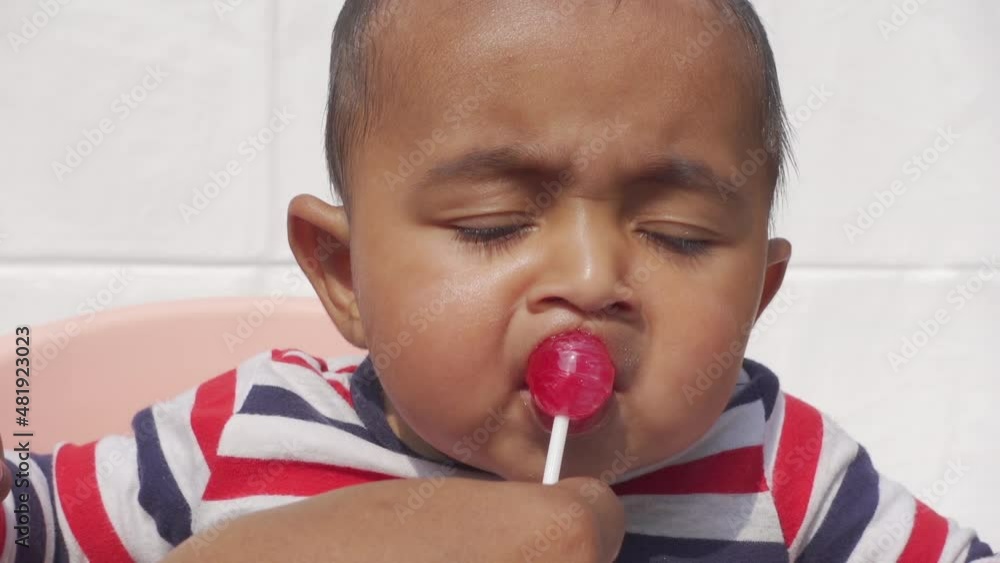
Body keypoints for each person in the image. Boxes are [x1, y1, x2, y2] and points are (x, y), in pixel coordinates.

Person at [3, 1, 995, 561]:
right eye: (492, 223)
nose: (592, 278)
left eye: (680, 235)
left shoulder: (783, 470)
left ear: (757, 299)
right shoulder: (237, 436)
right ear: (344, 273)